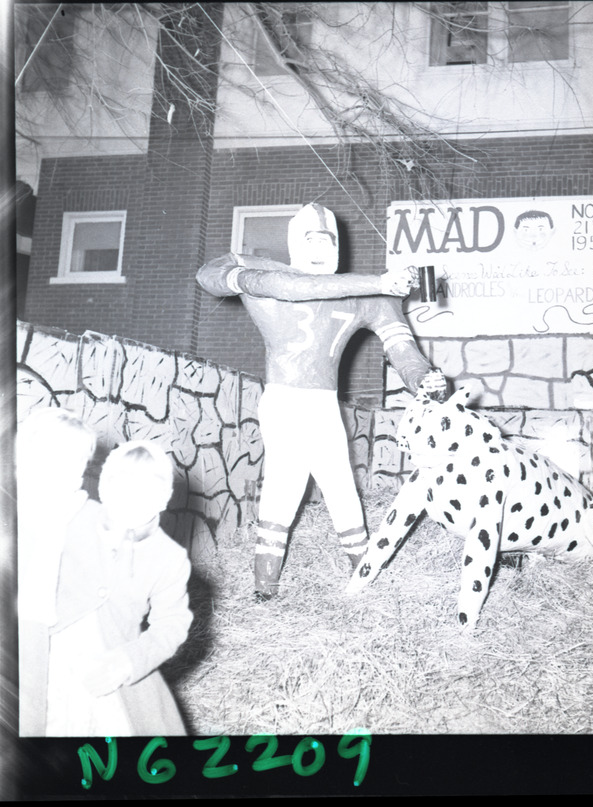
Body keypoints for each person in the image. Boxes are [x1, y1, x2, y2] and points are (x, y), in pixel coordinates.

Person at [196, 202, 446, 600]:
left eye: (327, 240)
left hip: (321, 403)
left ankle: (358, 576)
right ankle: (268, 587)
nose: (319, 248)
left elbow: (401, 348)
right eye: (309, 239)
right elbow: (273, 284)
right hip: (285, 400)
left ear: (338, 247)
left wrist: (422, 378)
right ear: (295, 244)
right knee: (287, 482)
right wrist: (380, 281)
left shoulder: (366, 294)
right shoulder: (352, 286)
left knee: (339, 484)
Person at [46, 440, 193, 736]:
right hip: (53, 652)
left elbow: (172, 625)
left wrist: (128, 661)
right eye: (122, 486)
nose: (133, 498)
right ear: (102, 487)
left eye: (148, 490)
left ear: (165, 499)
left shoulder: (170, 558)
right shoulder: (75, 515)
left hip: (108, 663)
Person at [16, 407, 98, 736]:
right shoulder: (15, 506)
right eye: (57, 458)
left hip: (57, 630)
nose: (70, 472)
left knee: (47, 714)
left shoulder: (82, 512)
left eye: (78, 462)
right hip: (20, 625)